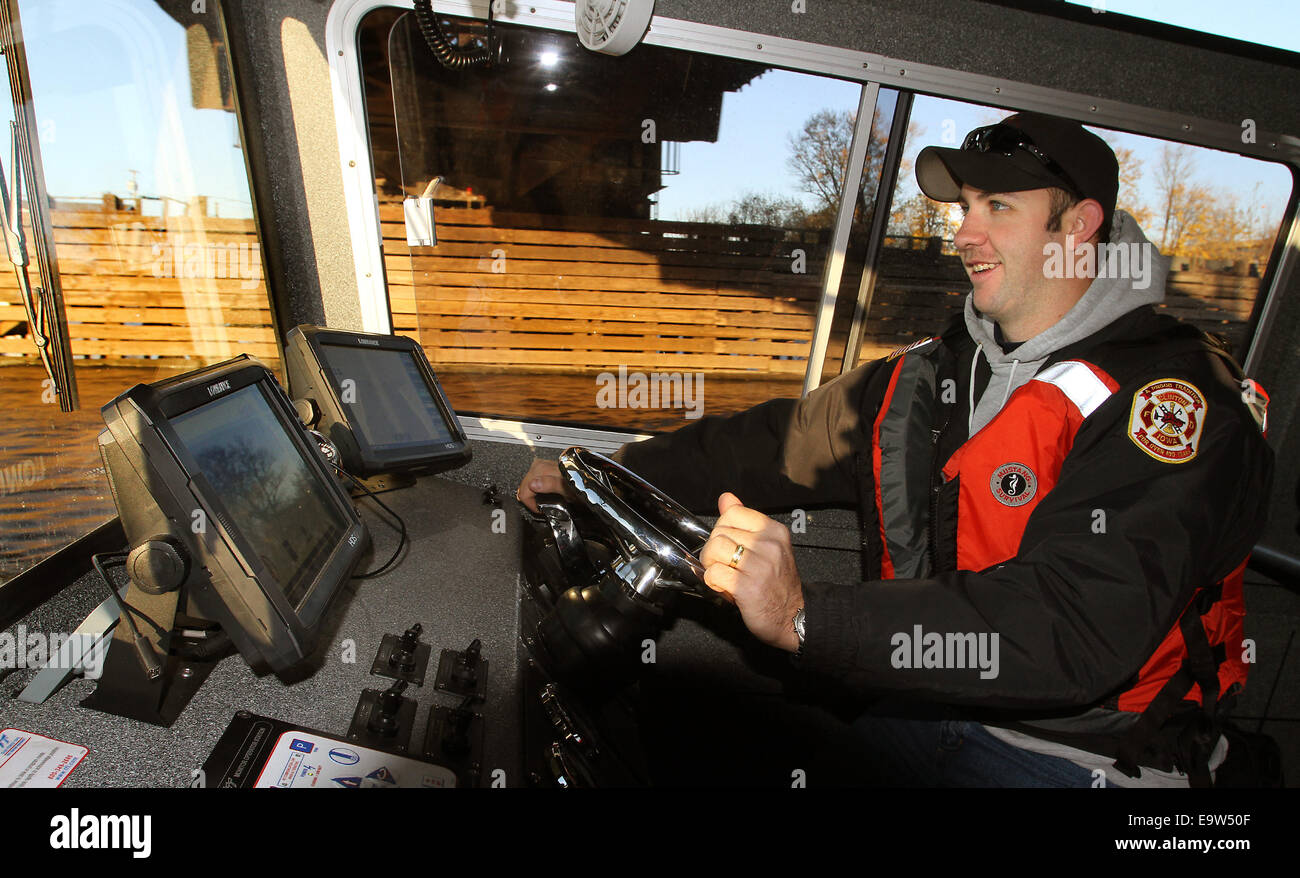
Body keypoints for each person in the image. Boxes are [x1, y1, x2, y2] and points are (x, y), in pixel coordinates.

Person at [517, 112, 1274, 787]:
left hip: (1085, 759)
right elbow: (772, 443)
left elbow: (1070, 627)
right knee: (689, 740)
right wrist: (596, 477)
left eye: (998, 207)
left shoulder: (1175, 402)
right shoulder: (938, 370)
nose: (964, 234)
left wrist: (810, 618)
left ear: (1076, 226)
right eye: (965, 207)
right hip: (924, 708)